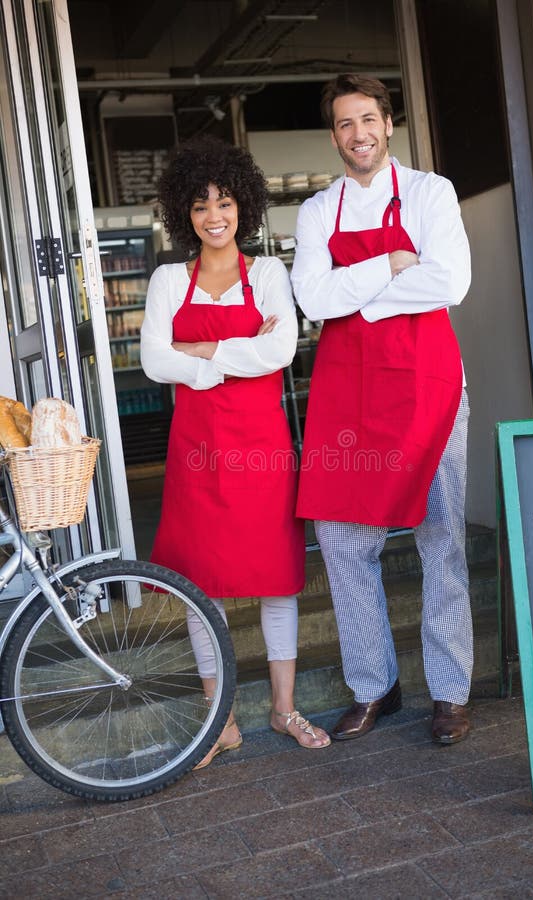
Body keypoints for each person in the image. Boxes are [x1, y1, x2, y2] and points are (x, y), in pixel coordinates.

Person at [291, 74, 473, 745]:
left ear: (387, 123)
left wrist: (356, 295)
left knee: (442, 535)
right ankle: (375, 686)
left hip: (427, 384)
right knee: (342, 540)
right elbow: (312, 297)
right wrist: (391, 266)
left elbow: (450, 280)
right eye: (344, 123)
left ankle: (450, 693)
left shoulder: (430, 192)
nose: (358, 134)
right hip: (350, 395)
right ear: (334, 133)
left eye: (367, 119)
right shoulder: (318, 211)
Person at [141, 134, 330, 766]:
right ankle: (220, 721)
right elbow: (152, 361)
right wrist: (236, 353)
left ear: (243, 205)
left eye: (224, 201)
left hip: (262, 447)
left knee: (277, 579)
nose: (214, 216)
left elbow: (282, 351)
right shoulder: (169, 279)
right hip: (197, 450)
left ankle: (283, 708)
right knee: (203, 583)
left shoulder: (270, 272)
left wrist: (200, 353)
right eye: (200, 205)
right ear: (183, 214)